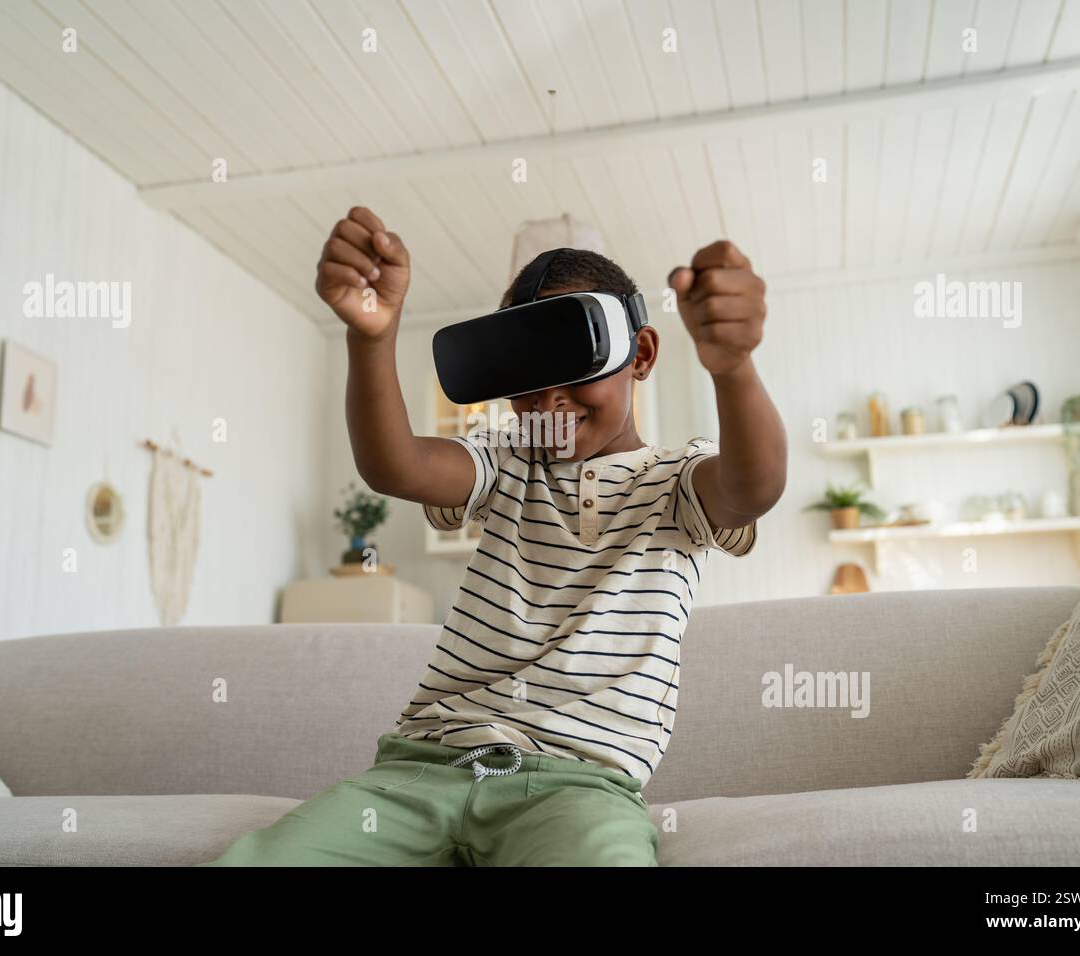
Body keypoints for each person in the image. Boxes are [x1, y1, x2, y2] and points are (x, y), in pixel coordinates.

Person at [202, 206, 787, 866]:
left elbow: (751, 486)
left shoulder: (676, 481)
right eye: (522, 378)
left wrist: (733, 368)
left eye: (572, 362)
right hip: (419, 769)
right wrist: (371, 340)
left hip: (580, 787)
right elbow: (395, 464)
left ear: (641, 355)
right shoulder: (506, 458)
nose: (547, 400)